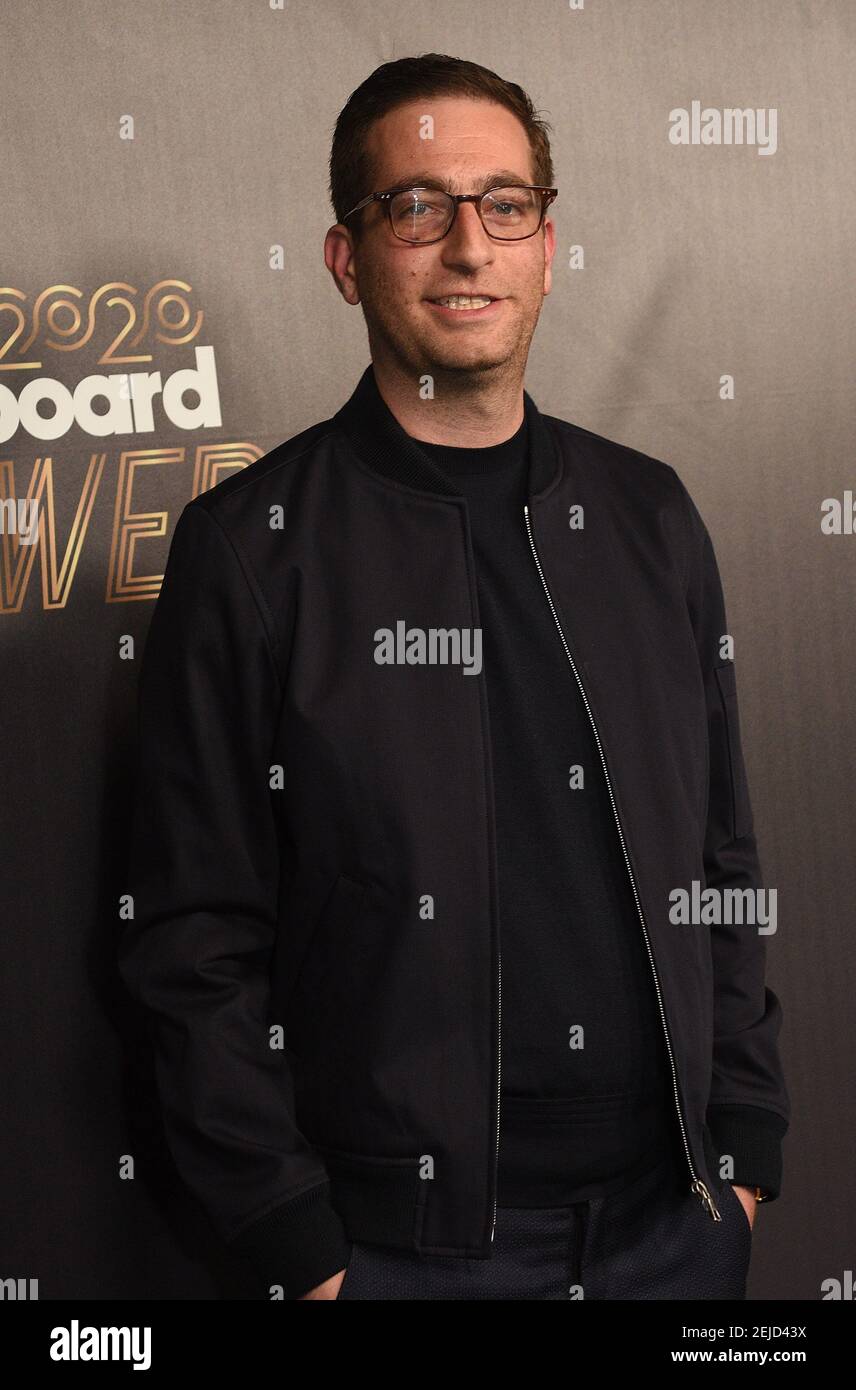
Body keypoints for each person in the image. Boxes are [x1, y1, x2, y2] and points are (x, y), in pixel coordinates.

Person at [119, 53, 789, 1301]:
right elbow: (194, 933)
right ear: (345, 256)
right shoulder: (251, 550)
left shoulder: (648, 515)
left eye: (505, 205)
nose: (468, 246)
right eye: (418, 207)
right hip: (397, 1256)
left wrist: (741, 1147)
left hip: (676, 1226)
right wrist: (295, 1241)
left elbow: (720, 859)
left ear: (546, 245)